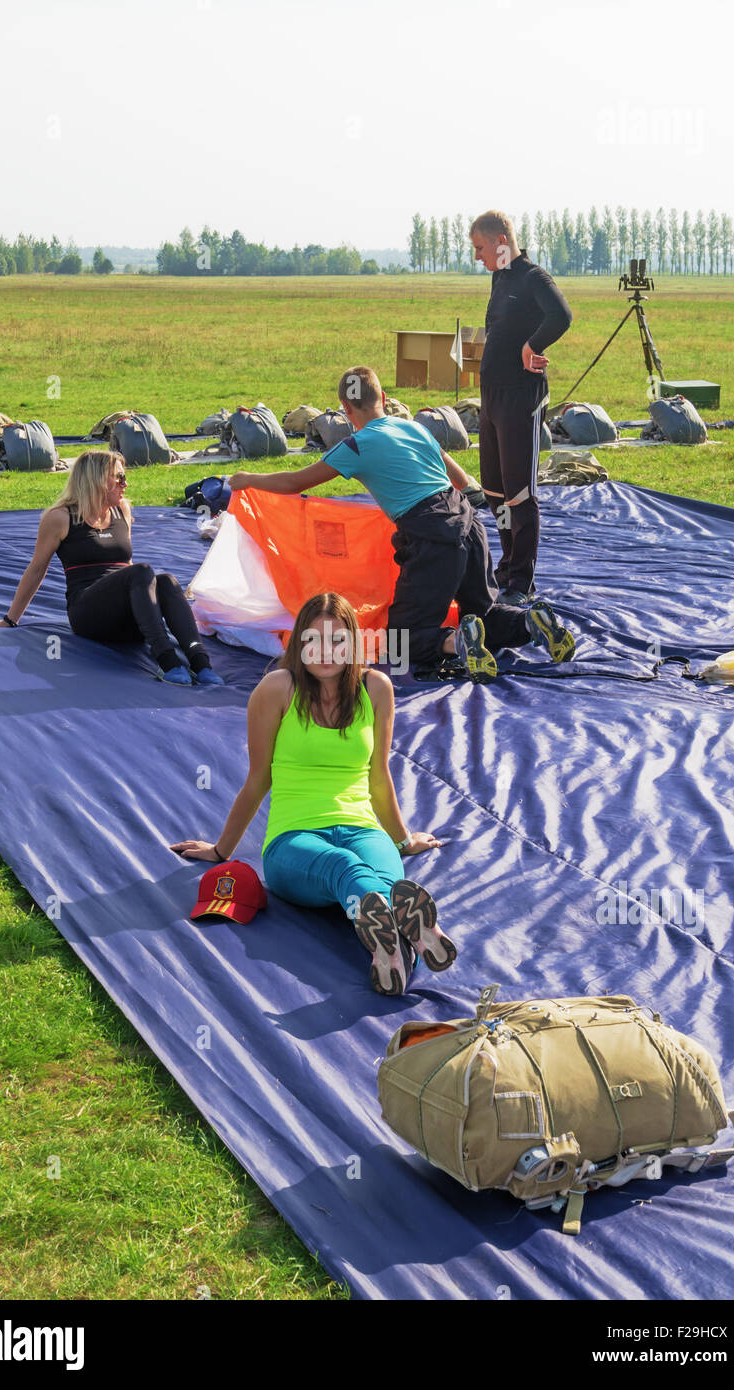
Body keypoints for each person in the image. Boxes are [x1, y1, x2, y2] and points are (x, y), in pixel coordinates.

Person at [171, 591, 456, 996]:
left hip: (362, 828)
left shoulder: (376, 688)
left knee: (387, 879)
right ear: (299, 642)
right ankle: (401, 934)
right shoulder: (277, 688)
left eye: (338, 641)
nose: (326, 651)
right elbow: (258, 779)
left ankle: (390, 953)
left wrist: (403, 840)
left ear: (353, 644)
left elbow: (378, 775)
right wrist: (221, 850)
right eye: (314, 640)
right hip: (295, 841)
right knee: (347, 869)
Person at [227, 365, 575, 680]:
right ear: (383, 397)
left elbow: (295, 482)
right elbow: (460, 480)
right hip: (469, 525)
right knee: (484, 614)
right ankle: (530, 622)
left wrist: (247, 479)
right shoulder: (414, 429)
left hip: (430, 535)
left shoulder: (356, 445)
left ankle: (457, 643)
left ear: (346, 410)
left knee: (400, 641)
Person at [0, 449, 223, 687]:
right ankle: (168, 662)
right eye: (119, 478)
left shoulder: (122, 509)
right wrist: (10, 620)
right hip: (88, 614)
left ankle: (201, 664)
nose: (125, 483)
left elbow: (125, 565)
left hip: (127, 616)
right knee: (141, 570)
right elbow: (36, 569)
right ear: (95, 480)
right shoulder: (60, 518)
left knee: (167, 581)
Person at [470, 210, 573, 604]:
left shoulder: (533, 277)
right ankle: (507, 563)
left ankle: (521, 580)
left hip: (521, 398)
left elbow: (561, 316)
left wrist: (532, 347)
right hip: (491, 398)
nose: (477, 256)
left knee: (519, 492)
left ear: (500, 241)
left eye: (480, 247)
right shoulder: (500, 278)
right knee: (495, 492)